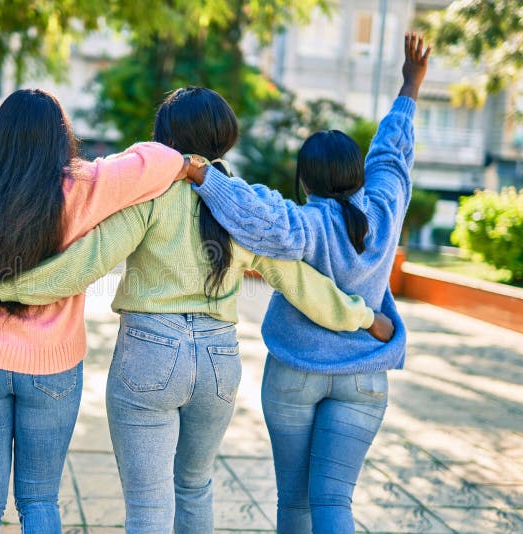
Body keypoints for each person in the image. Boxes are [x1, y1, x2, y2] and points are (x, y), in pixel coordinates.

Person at [0, 86, 394, 533]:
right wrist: (364, 318)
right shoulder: (243, 206)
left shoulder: (151, 196)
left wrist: (5, 289)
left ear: (166, 138)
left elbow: (87, 262)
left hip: (151, 353)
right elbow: (299, 282)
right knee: (195, 487)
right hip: (219, 363)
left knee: (149, 505)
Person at [0, 1, 190, 531]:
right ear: (61, 136)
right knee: (40, 503)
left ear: (0, 136)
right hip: (52, 370)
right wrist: (189, 164)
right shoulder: (81, 188)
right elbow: (158, 160)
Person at [184, 33, 431, 534]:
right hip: (365, 376)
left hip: (295, 372)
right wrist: (410, 86)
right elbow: (392, 155)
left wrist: (205, 176)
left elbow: (255, 214)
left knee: (295, 504)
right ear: (357, 173)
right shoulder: (385, 210)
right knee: (335, 502)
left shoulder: (304, 224)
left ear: (306, 180)